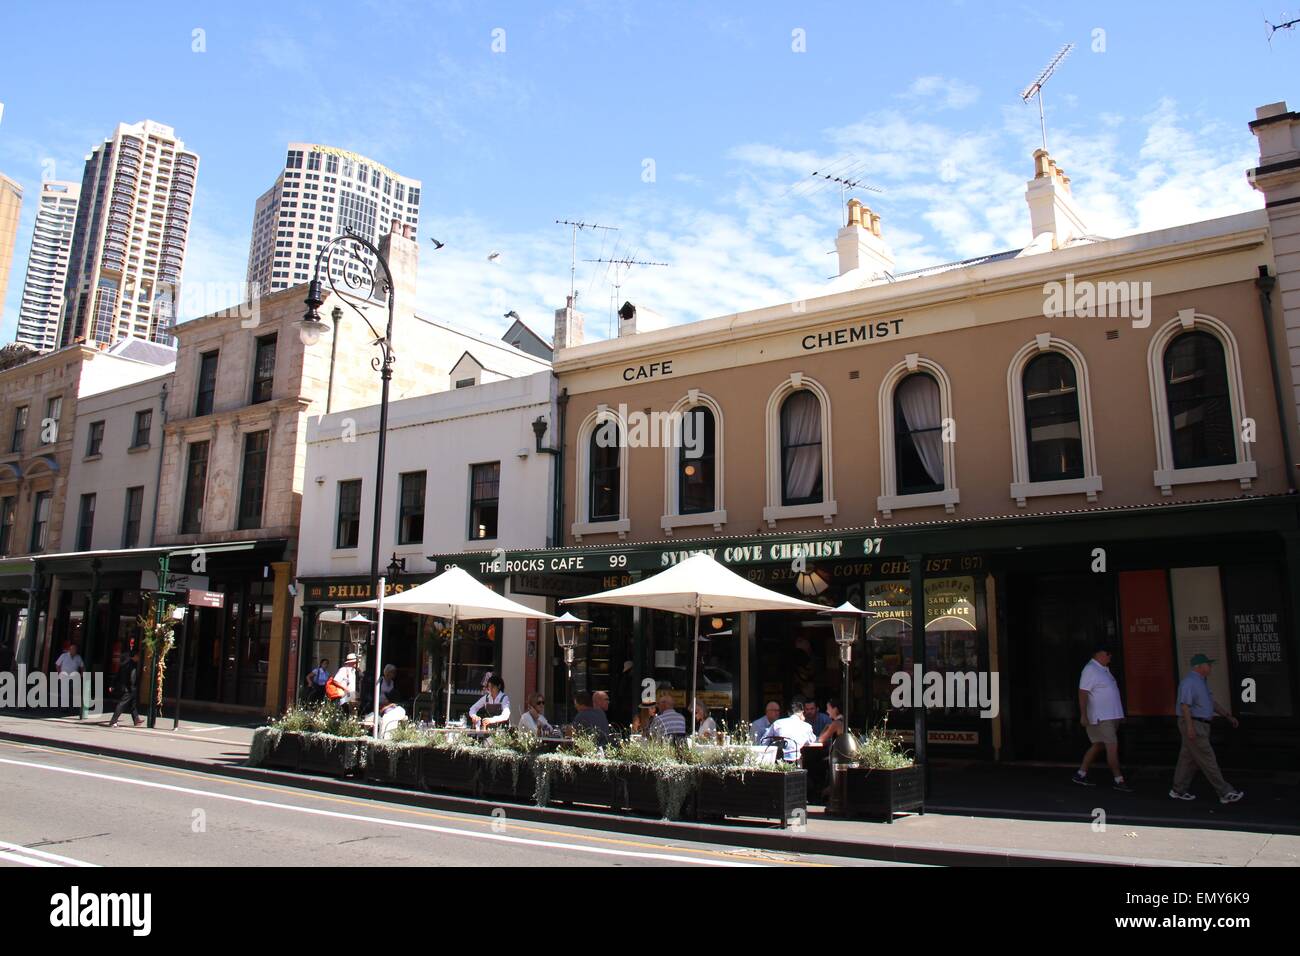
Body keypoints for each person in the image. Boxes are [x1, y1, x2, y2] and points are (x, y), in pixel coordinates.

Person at [1170, 654, 1244, 804]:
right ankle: (1225, 791)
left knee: (1188, 759)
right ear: (1199, 666)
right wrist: (1190, 727)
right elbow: (1185, 706)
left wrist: (1227, 716)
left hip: (1198, 724)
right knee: (1207, 758)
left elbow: (1211, 702)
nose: (1210, 667)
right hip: (1195, 724)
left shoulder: (1201, 682)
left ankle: (1178, 789)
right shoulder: (1190, 682)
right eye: (1208, 664)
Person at [1073, 645, 1132, 791]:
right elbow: (1083, 692)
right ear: (1098, 654)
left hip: (1110, 716)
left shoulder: (1103, 669)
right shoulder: (1090, 670)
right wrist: (1083, 714)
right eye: (1108, 653)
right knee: (1112, 746)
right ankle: (1119, 780)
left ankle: (1081, 773)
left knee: (1098, 745)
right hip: (1101, 717)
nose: (1110, 657)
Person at [762, 697, 818, 762]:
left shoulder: (778, 723)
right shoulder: (807, 726)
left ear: (788, 713)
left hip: (779, 760)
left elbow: (764, 740)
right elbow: (812, 740)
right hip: (797, 760)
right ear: (802, 712)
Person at [108, 647, 141, 727]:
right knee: (122, 704)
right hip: (129, 688)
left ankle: (136, 720)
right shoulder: (132, 665)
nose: (139, 658)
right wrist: (132, 686)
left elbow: (117, 675)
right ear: (135, 656)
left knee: (132, 705)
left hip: (124, 687)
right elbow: (132, 677)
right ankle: (113, 721)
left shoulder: (124, 664)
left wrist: (112, 685)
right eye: (138, 656)